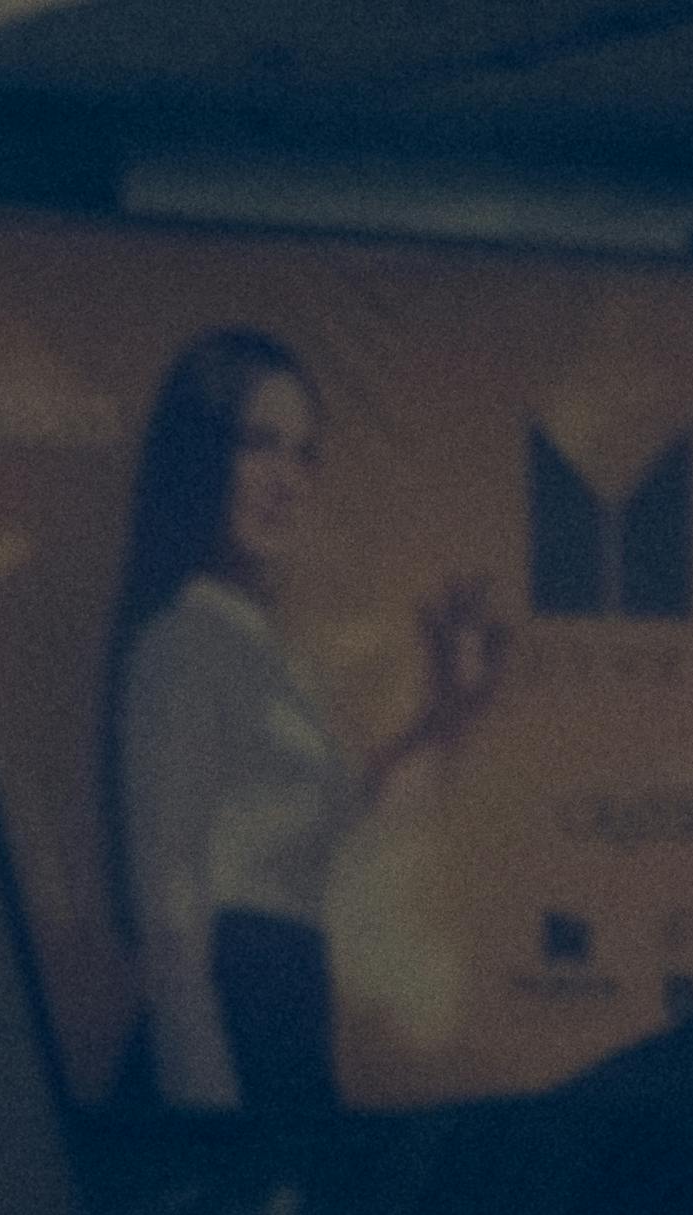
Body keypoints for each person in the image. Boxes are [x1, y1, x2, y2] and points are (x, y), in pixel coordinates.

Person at [98, 328, 509, 1123]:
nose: (285, 479)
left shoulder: (263, 649)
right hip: (233, 1032)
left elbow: (346, 828)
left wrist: (450, 709)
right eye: (258, 444)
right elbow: (171, 910)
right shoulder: (183, 643)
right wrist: (208, 1122)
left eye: (303, 453)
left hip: (285, 1015)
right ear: (199, 458)